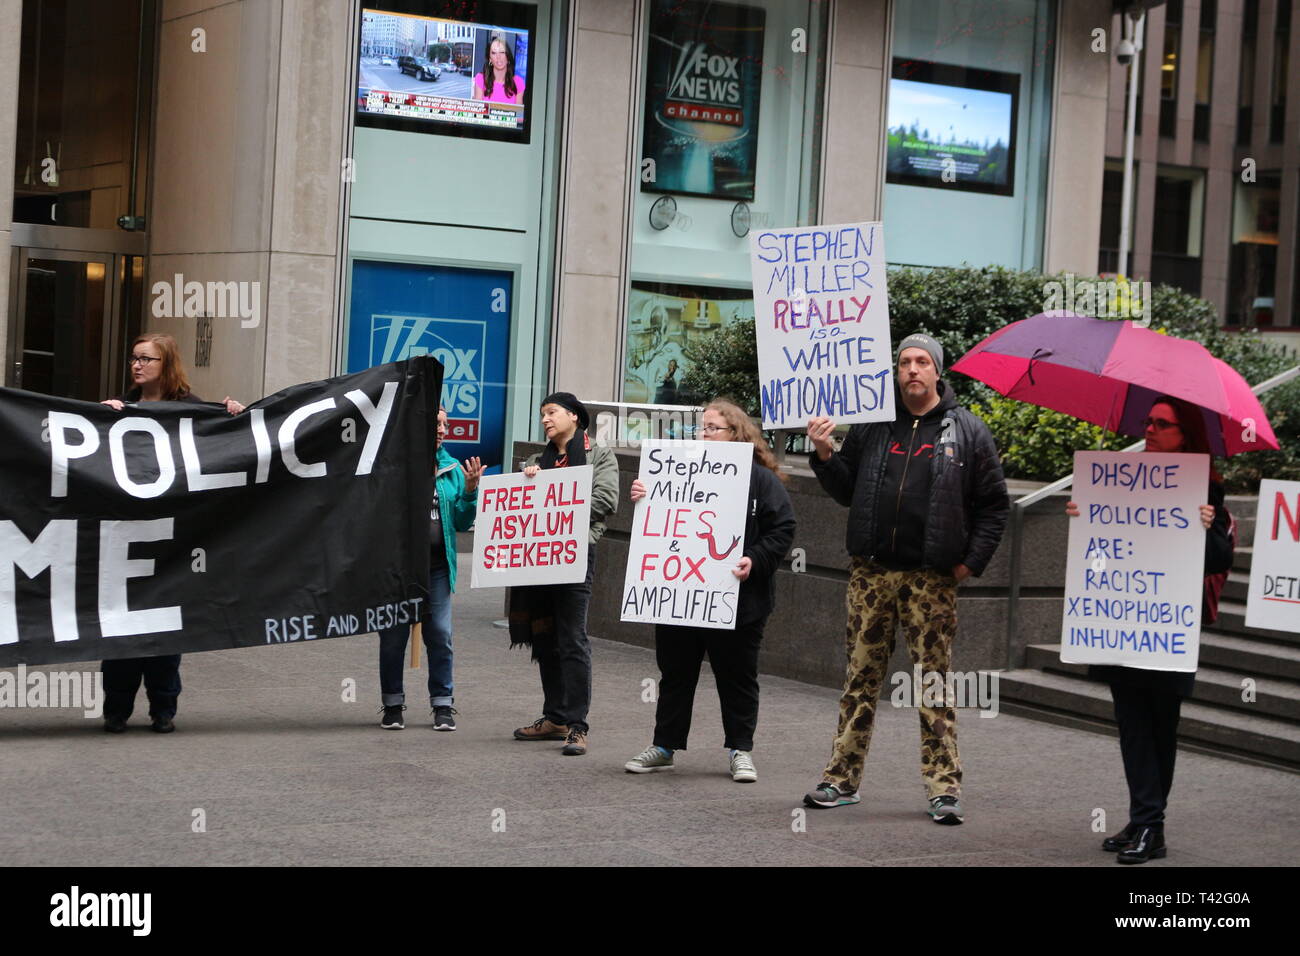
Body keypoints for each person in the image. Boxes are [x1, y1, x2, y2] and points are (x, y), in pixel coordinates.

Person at [801, 333, 1008, 824]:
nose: (912, 369)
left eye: (922, 362)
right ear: (897, 373)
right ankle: (840, 779)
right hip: (872, 573)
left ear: (938, 372)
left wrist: (967, 564)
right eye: (904, 362)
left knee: (933, 683)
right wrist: (826, 453)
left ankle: (944, 789)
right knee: (859, 678)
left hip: (930, 578)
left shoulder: (968, 430)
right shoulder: (874, 425)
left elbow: (994, 507)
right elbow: (847, 489)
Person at [1066, 395, 1233, 864]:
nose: (1151, 430)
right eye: (1148, 422)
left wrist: (1207, 527)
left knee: (1160, 727)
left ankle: (1149, 824)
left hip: (1166, 630)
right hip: (1122, 626)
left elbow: (1221, 561)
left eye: (1162, 423)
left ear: (1186, 435)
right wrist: (1083, 518)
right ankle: (1145, 821)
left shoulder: (1206, 488)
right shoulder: (1121, 478)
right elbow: (1100, 544)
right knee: (1132, 725)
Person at [623, 399, 795, 782]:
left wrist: (755, 559)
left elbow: (782, 528)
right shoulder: (679, 473)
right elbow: (661, 521)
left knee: (737, 676)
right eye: (701, 428)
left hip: (739, 600)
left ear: (735, 434)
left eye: (712, 428)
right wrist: (643, 496)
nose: (703, 434)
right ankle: (664, 746)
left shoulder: (759, 479)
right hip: (681, 595)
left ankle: (740, 749)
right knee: (675, 674)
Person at [99, 332, 245, 734]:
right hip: (125, 537)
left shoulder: (193, 411)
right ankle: (116, 709)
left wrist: (235, 415)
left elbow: (233, 444)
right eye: (134, 358)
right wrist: (100, 419)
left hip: (173, 538)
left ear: (167, 365)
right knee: (120, 628)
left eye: (146, 359)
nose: (137, 365)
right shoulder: (119, 409)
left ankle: (163, 709)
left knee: (163, 628)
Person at [509, 392, 618, 756]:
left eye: (552, 412)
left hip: (574, 555)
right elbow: (516, 504)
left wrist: (557, 496)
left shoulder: (598, 455)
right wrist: (529, 481)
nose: (545, 419)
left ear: (574, 416)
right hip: (538, 559)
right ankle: (554, 716)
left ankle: (577, 725)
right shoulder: (534, 461)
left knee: (572, 639)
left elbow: (606, 500)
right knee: (545, 638)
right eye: (542, 414)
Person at [378, 407, 481, 731]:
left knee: (440, 634)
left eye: (445, 424)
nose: (442, 429)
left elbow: (463, 523)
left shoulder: (451, 468)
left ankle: (443, 705)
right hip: (399, 570)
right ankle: (392, 704)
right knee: (393, 637)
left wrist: (469, 491)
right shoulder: (396, 463)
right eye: (435, 423)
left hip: (436, 568)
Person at [472, 37, 525, 105]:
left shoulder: (518, 82)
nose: (498, 57)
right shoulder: (480, 79)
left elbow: (518, 114)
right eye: (494, 53)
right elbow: (478, 112)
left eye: (502, 52)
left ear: (508, 56)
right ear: (490, 59)